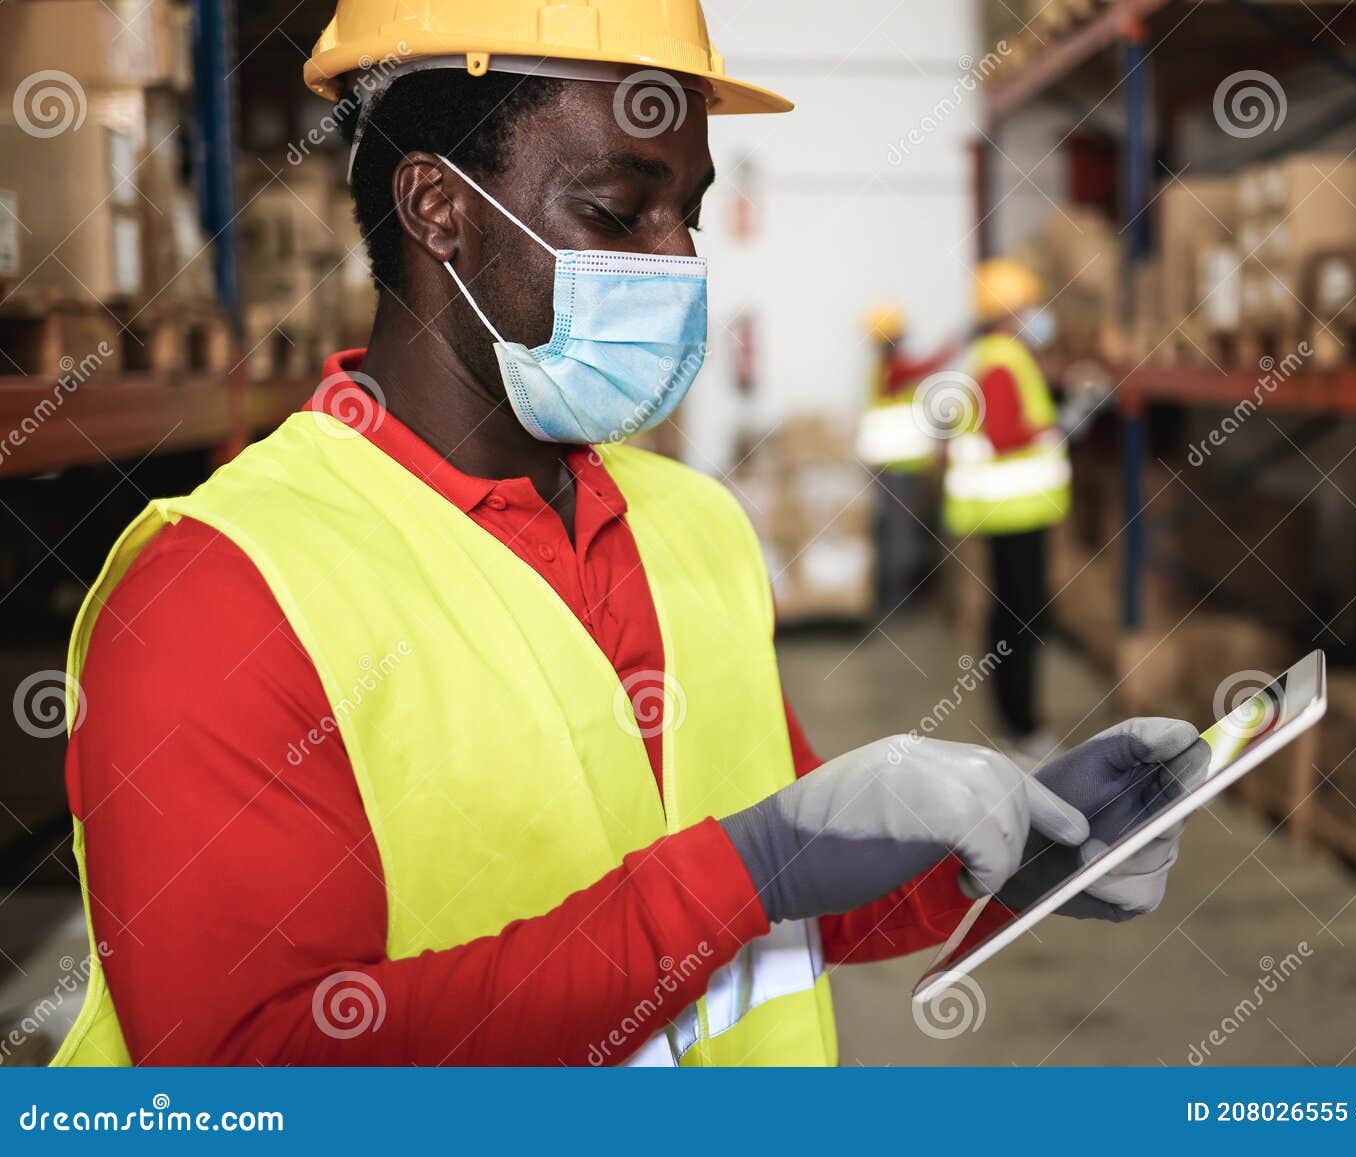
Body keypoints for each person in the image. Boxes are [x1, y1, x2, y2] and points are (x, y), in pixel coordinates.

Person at [51, 0, 1204, 1068]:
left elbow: (794, 878)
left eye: (686, 213)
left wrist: (998, 850)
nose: (676, 261)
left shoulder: (690, 524)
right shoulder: (222, 593)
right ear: (435, 206)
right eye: (615, 210)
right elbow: (249, 1076)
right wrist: (752, 863)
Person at [943, 258, 1073, 767]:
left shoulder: (994, 355)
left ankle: (1014, 723)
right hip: (1014, 512)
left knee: (1011, 615)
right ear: (1007, 313)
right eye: (1025, 308)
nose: (1033, 316)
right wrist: (1048, 430)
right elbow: (1001, 434)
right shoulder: (1001, 360)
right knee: (1022, 618)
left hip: (1009, 511)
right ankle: (1024, 729)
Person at [854, 303, 960, 612]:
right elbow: (930, 365)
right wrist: (958, 340)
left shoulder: (885, 369)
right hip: (896, 468)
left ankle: (896, 598)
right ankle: (897, 602)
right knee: (900, 536)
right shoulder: (893, 369)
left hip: (896, 467)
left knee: (898, 532)